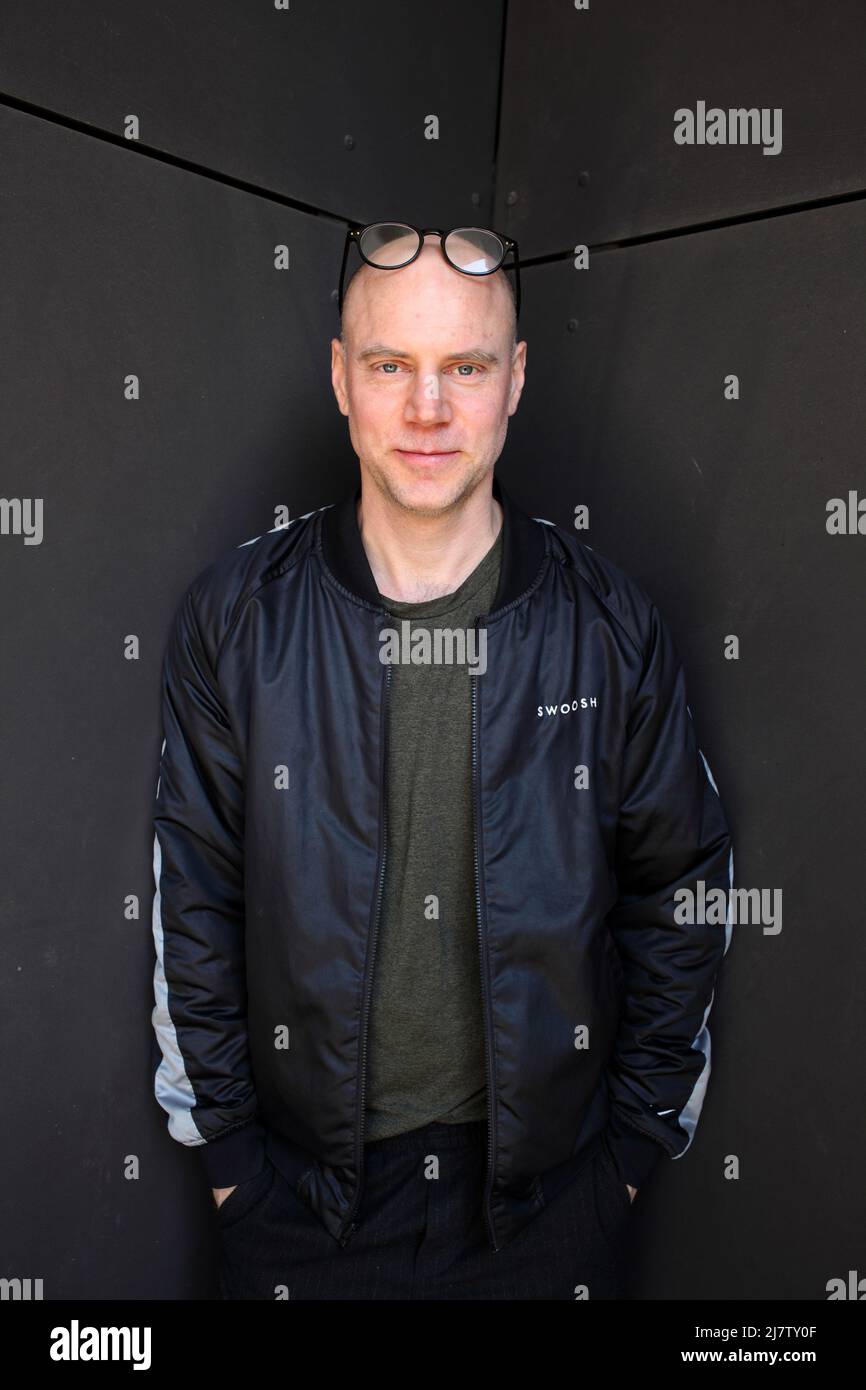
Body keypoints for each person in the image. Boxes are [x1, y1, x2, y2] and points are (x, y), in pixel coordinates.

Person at [150, 222, 734, 1300]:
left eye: (465, 366)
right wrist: (230, 1164)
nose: (428, 408)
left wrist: (628, 1158)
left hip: (548, 1211)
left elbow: (681, 892)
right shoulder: (237, 618)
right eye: (391, 365)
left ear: (515, 379)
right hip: (299, 1211)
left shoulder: (610, 628)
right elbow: (194, 896)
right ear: (341, 377)